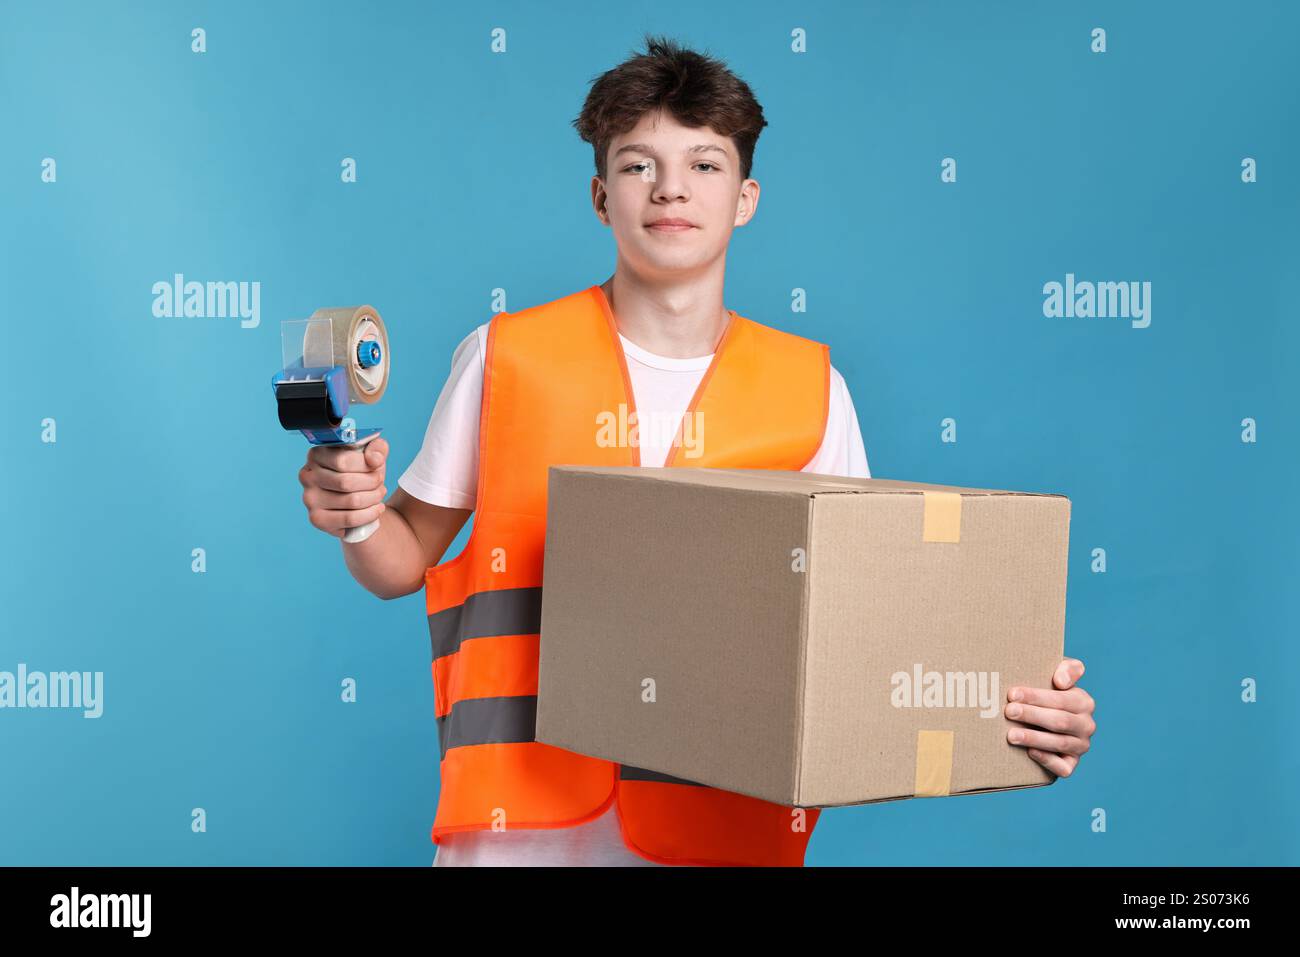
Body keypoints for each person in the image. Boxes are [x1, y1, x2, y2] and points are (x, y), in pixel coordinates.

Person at [297, 35, 1096, 867]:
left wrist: (1015, 708)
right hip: (518, 834)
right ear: (601, 196)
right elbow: (401, 563)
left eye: (705, 165)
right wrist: (357, 518)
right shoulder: (506, 356)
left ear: (746, 197)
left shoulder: (813, 387)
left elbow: (877, 633)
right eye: (639, 165)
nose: (671, 187)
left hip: (727, 834)